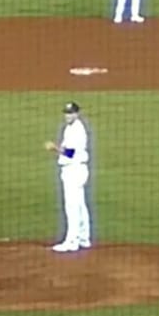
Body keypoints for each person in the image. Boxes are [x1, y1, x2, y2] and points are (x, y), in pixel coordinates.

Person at [45, 102, 92, 253]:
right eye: (66, 113)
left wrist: (54, 148)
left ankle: (72, 241)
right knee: (80, 205)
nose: (68, 116)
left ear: (77, 114)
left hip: (74, 170)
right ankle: (84, 238)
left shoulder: (77, 130)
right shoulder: (70, 128)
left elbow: (70, 153)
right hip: (76, 169)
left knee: (72, 206)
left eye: (71, 113)